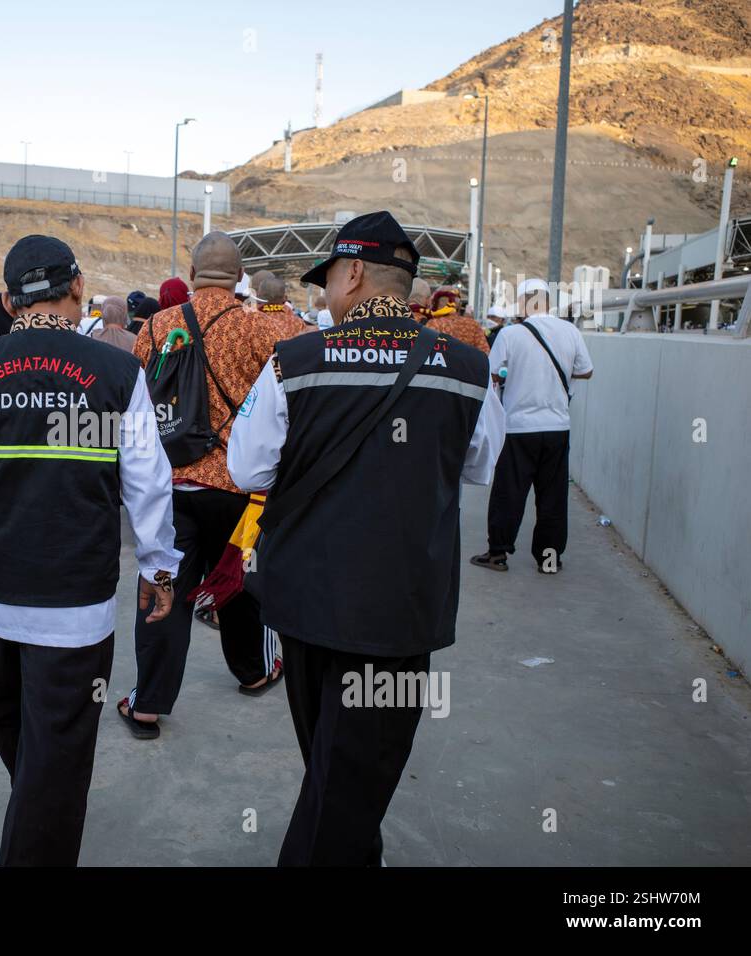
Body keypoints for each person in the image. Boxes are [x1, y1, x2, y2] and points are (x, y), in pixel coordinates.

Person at [227, 210, 506, 866]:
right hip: (400, 613)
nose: (322, 295)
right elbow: (481, 464)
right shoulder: (464, 366)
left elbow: (246, 467)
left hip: (304, 607)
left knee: (336, 770)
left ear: (353, 273)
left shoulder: (295, 361)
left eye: (326, 280)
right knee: (353, 778)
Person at [0, 234, 179, 865]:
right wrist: (160, 565)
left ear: (6, 300)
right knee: (53, 749)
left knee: (11, 725)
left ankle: (35, 807)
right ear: (77, 289)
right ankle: (38, 822)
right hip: (74, 602)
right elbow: (148, 482)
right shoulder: (116, 373)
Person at [118, 232, 305, 740]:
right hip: (240, 488)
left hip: (170, 483)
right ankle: (254, 670)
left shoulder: (156, 325)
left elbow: (139, 402)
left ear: (193, 268)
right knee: (240, 584)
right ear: (239, 273)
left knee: (163, 588)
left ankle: (149, 703)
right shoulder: (261, 329)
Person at [471, 277, 593, 575]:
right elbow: (586, 371)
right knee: (552, 496)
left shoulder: (511, 335)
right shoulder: (571, 332)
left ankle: (498, 554)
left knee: (509, 493)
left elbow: (492, 374)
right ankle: (549, 559)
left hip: (518, 428)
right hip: (557, 427)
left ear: (525, 302)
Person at [424, 288, 491, 355]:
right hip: (467, 364)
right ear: (458, 305)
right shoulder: (472, 324)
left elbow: (424, 351)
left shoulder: (433, 324)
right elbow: (485, 352)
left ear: (437, 304)